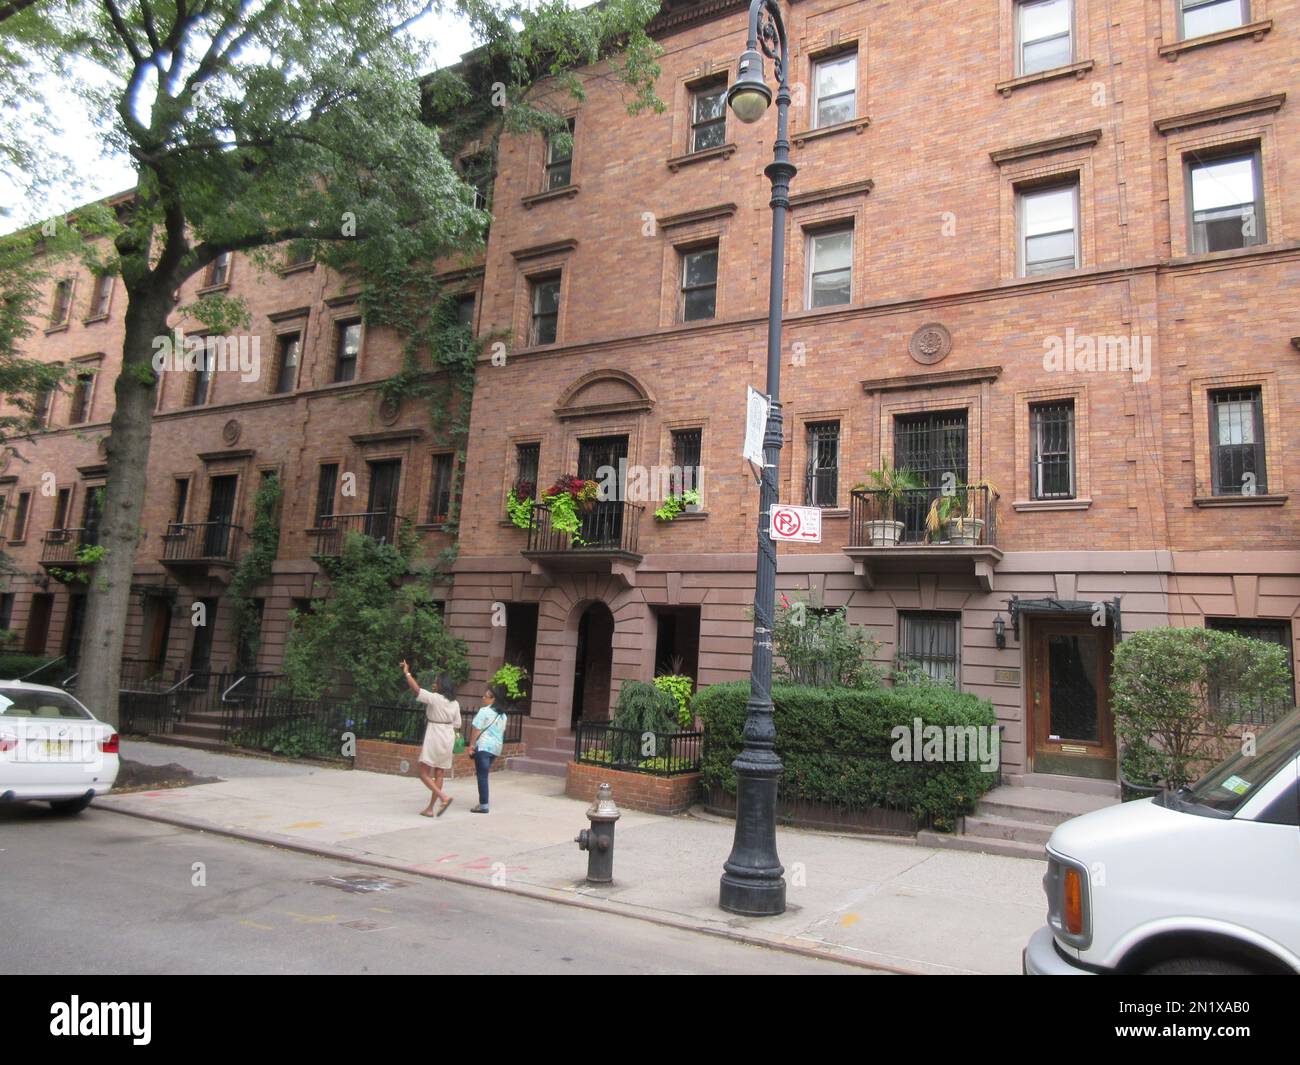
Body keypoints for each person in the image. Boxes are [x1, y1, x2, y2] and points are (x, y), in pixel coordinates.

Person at [402, 659, 458, 818]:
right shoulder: (455, 703)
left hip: (435, 734)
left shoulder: (435, 698)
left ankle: (443, 797)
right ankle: (430, 808)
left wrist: (407, 672)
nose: (434, 684)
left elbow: (416, 689)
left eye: (436, 682)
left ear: (442, 685)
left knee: (422, 772)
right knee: (439, 772)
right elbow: (457, 724)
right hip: (448, 736)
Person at [466, 684, 508, 814]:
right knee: (483, 774)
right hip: (496, 749)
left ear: (493, 699)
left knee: (482, 776)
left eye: (486, 696)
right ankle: (483, 803)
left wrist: (471, 746)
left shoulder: (484, 711)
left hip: (484, 747)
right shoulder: (503, 715)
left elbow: (476, 730)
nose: (483, 698)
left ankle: (483, 805)